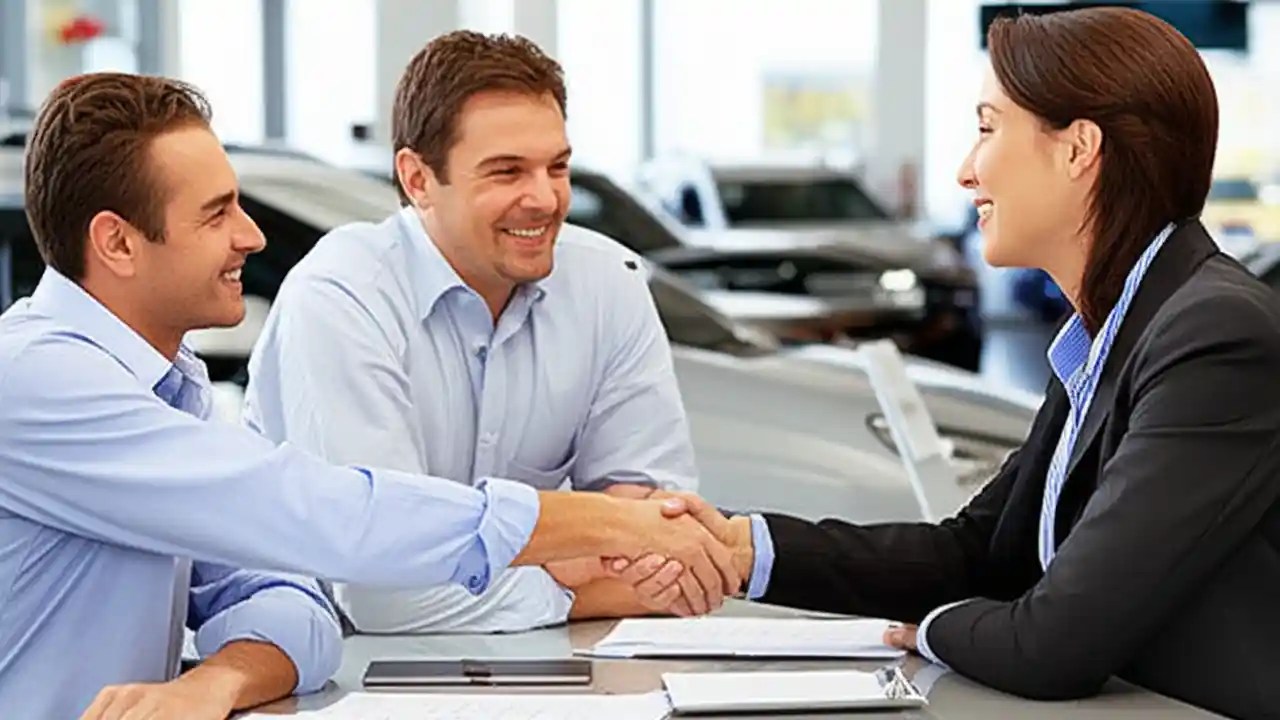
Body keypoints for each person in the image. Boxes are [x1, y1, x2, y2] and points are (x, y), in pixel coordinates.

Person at [0, 72, 739, 720]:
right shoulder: (35, 382)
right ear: (118, 244)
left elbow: (295, 603)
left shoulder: (173, 382)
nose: (252, 236)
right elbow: (317, 514)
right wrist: (598, 524)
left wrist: (216, 682)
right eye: (217, 213)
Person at [623, 8, 1280, 719]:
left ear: (1079, 149)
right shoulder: (1119, 325)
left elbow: (1055, 642)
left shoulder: (1213, 335)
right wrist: (743, 549)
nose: (966, 171)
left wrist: (929, 632)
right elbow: (981, 554)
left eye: (988, 128)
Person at [241, 31, 706, 634]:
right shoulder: (342, 295)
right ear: (416, 180)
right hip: (329, 677)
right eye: (507, 172)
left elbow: (665, 540)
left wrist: (579, 552)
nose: (544, 198)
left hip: (548, 671)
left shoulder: (607, 283)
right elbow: (381, 595)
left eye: (557, 167)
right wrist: (571, 570)